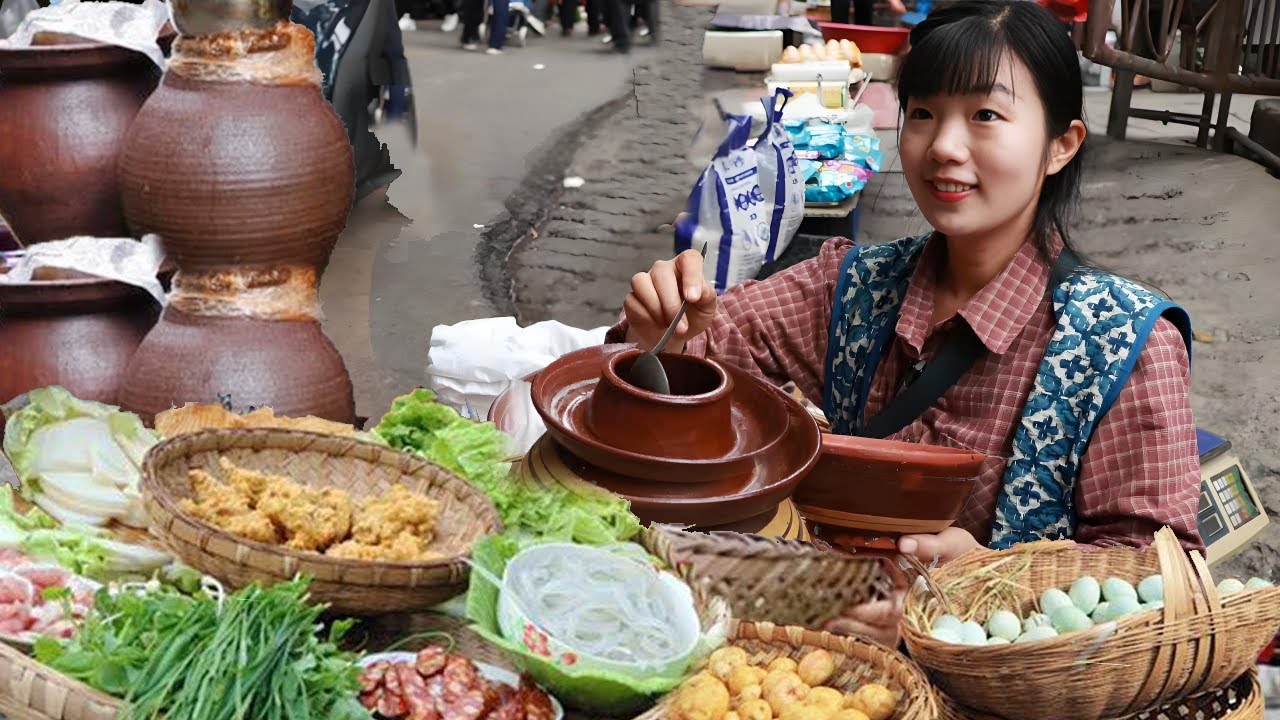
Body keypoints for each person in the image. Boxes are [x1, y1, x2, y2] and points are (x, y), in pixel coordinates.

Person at [607, 0, 1202, 646]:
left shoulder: (1123, 348)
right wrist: (660, 331)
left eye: (986, 115)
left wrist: (980, 590)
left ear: (1061, 145)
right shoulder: (857, 288)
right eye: (922, 113)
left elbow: (1166, 582)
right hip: (844, 678)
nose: (944, 146)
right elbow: (709, 349)